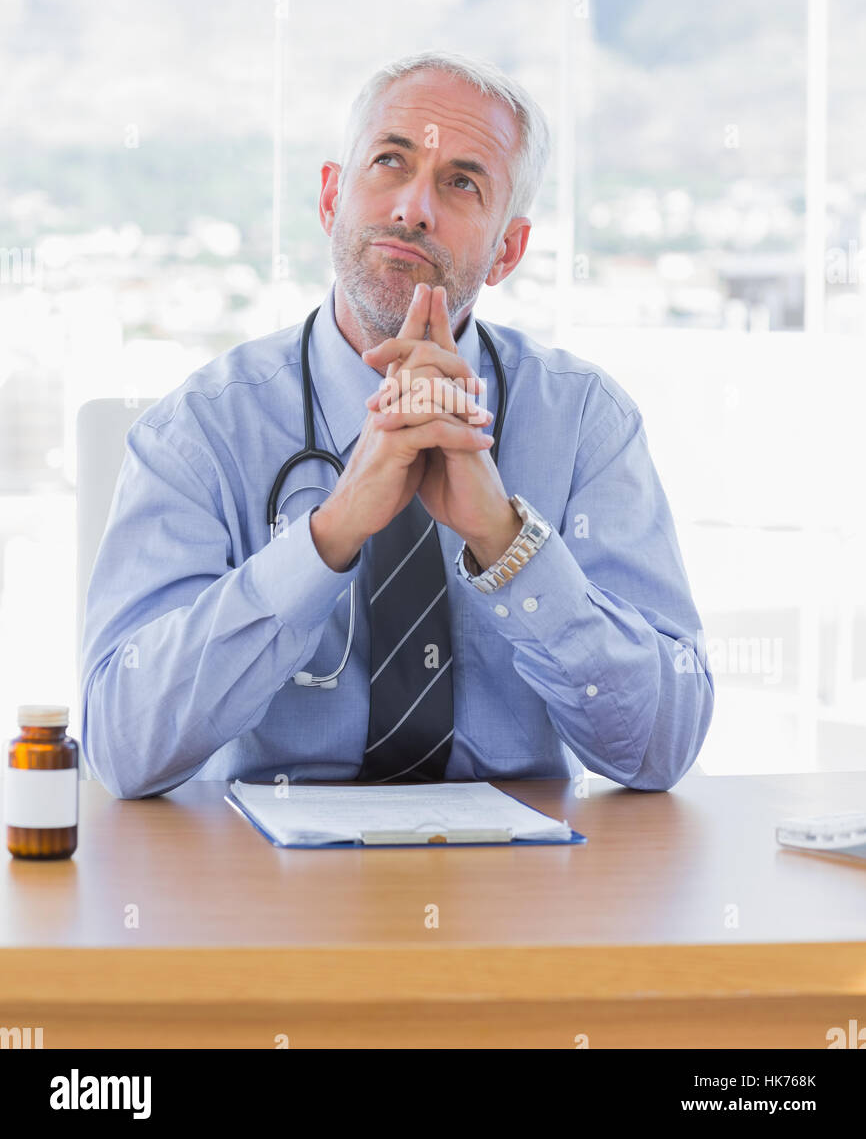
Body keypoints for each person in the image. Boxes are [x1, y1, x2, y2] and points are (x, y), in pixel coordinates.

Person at [81, 50, 713, 799]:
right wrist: (330, 535)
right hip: (267, 891)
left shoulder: (585, 424)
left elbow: (661, 747)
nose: (413, 207)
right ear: (330, 198)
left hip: (522, 894)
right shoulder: (201, 430)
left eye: (461, 183)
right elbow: (122, 745)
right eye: (390, 161)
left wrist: (507, 542)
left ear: (507, 250)